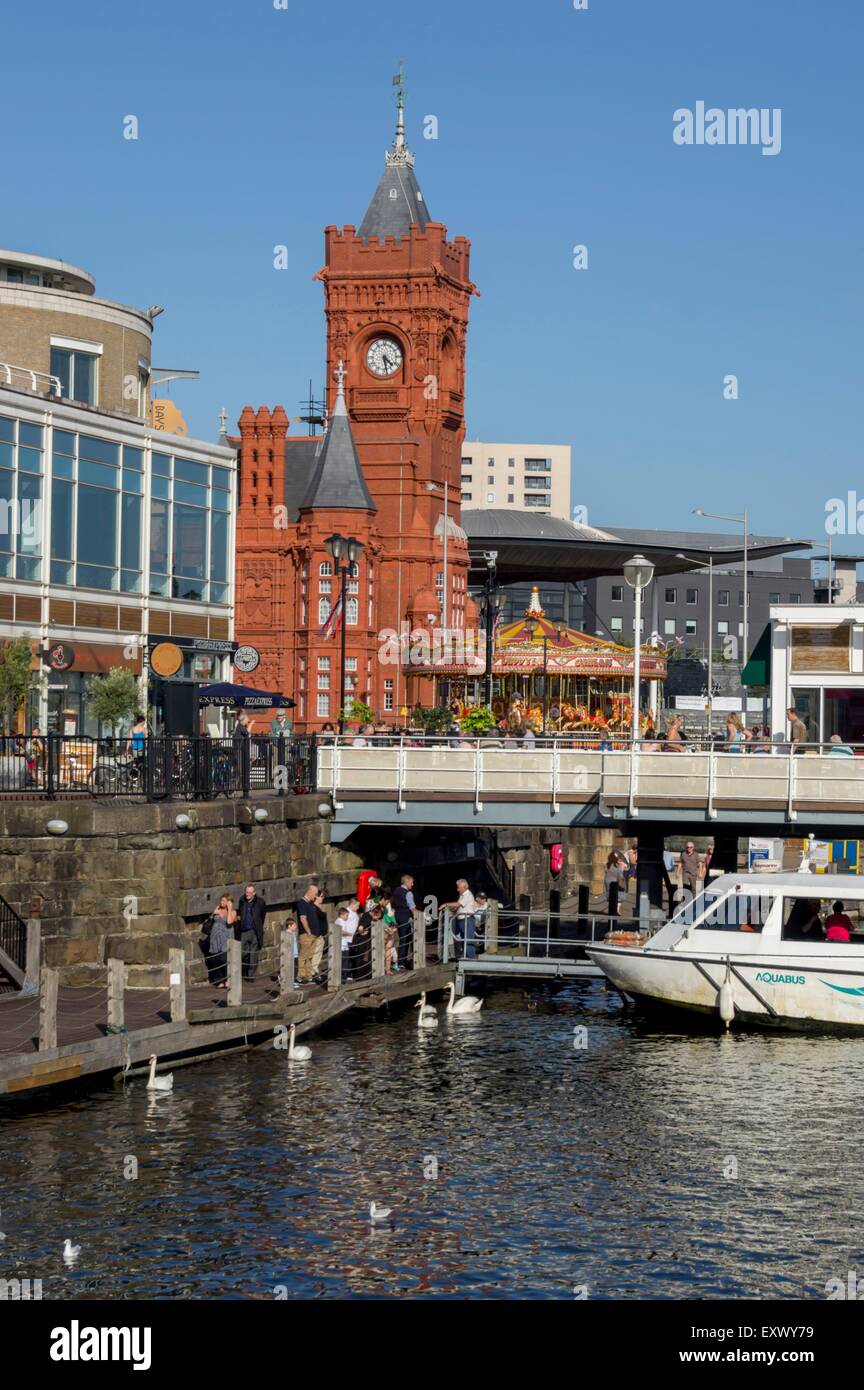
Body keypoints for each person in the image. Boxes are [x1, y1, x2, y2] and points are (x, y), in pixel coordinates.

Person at [235, 883, 267, 981]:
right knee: (242, 952)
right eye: (246, 892)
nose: (247, 894)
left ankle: (250, 975)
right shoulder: (242, 900)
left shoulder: (260, 902)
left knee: (254, 954)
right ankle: (243, 970)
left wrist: (259, 927)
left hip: (254, 931)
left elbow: (262, 916)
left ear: (254, 893)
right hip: (244, 930)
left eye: (249, 892)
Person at [206, 895, 237, 988]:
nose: (221, 902)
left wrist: (230, 907)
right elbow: (210, 921)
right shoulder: (217, 909)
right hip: (215, 938)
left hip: (226, 938)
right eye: (221, 900)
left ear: (229, 901)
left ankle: (228, 979)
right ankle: (220, 980)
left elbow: (229, 922)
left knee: (224, 959)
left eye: (224, 901)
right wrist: (213, 914)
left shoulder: (233, 912)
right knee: (216, 959)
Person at [446, 878, 477, 960]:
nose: (457, 889)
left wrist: (446, 904)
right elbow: (460, 908)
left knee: (468, 939)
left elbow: (458, 904)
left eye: (459, 887)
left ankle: (470, 958)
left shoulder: (468, 895)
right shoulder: (462, 895)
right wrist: (453, 913)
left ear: (464, 887)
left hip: (468, 919)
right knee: (463, 939)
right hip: (462, 920)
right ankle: (465, 956)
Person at [296, 884, 320, 984]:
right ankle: (300, 976)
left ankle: (308, 975)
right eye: (315, 894)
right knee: (303, 956)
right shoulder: (302, 903)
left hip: (313, 934)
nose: (315, 897)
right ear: (309, 892)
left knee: (310, 956)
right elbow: (303, 918)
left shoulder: (310, 904)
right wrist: (309, 932)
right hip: (306, 934)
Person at [392, 874, 416, 971]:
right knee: (405, 939)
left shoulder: (396, 890)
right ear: (407, 882)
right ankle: (402, 961)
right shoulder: (408, 893)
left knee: (402, 938)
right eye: (411, 882)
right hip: (405, 917)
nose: (413, 884)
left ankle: (402, 960)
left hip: (397, 916)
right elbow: (412, 908)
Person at [336, 905, 355, 980]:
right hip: (342, 945)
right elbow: (341, 931)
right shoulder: (340, 921)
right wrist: (350, 934)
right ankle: (343, 976)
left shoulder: (339, 921)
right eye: (346, 915)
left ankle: (345, 975)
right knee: (344, 961)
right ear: (342, 915)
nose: (347, 917)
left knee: (345, 960)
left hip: (344, 943)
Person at [604, 851, 625, 917]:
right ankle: (617, 910)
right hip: (616, 882)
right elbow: (620, 875)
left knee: (611, 897)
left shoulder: (606, 864)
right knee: (620, 896)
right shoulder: (619, 865)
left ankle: (612, 910)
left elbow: (606, 872)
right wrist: (622, 866)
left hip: (608, 881)